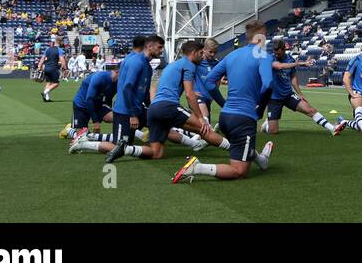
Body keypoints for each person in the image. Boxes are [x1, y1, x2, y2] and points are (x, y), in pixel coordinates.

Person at [173, 21, 276, 182]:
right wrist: (260, 108)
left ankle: (262, 160)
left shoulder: (232, 55)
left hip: (225, 117)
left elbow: (209, 82)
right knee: (239, 171)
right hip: (244, 118)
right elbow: (268, 84)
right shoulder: (263, 55)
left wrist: (223, 102)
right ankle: (198, 167)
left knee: (241, 146)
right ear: (261, 36)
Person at [109, 40, 229, 164]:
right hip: (168, 106)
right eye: (200, 53)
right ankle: (234, 148)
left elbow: (154, 87)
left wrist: (155, 104)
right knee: (204, 128)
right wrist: (200, 118)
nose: (202, 56)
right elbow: (189, 94)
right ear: (193, 53)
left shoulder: (172, 65)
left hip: (154, 109)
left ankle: (127, 149)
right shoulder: (189, 65)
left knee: (156, 153)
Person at [265, 39, 345, 136]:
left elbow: (293, 78)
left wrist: (300, 94)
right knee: (273, 131)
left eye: (278, 53)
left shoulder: (290, 59)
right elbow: (279, 66)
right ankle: (267, 125)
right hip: (274, 98)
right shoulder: (270, 58)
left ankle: (332, 128)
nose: (276, 55)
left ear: (284, 50)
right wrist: (298, 63)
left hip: (288, 95)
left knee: (310, 110)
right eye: (275, 53)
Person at [65, 63, 118, 146]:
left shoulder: (118, 82)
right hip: (82, 104)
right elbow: (89, 100)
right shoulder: (100, 77)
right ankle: (69, 130)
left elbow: (109, 98)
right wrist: (96, 121)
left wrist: (107, 111)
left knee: (116, 117)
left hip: (98, 104)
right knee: (82, 136)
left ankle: (119, 137)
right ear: (117, 72)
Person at [194, 38, 225, 122]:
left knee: (205, 125)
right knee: (205, 120)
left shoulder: (217, 64)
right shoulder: (196, 62)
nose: (212, 54)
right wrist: (191, 91)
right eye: (210, 52)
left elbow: (217, 82)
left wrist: (213, 95)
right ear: (204, 49)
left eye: (215, 52)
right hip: (198, 97)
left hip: (208, 97)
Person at [39, 37, 66, 102]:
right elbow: (61, 59)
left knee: (48, 82)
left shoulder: (48, 49)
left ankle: (46, 98)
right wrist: (65, 67)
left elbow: (42, 58)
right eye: (62, 41)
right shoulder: (59, 50)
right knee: (56, 83)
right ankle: (45, 92)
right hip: (53, 68)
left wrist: (39, 66)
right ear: (60, 42)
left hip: (46, 68)